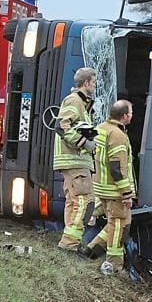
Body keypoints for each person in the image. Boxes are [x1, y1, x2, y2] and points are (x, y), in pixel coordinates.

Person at [86, 100, 136, 276]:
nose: (132, 115)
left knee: (121, 222)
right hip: (115, 190)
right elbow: (116, 168)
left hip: (101, 186)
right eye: (130, 112)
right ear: (124, 116)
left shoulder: (101, 128)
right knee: (119, 225)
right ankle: (113, 264)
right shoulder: (118, 135)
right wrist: (127, 193)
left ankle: (91, 250)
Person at [52, 67, 97, 252]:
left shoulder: (81, 104)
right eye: (93, 82)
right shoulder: (74, 100)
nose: (94, 86)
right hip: (74, 160)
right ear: (86, 83)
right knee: (85, 202)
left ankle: (70, 242)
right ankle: (70, 244)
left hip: (76, 161)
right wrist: (84, 142)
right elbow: (62, 126)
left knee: (74, 202)